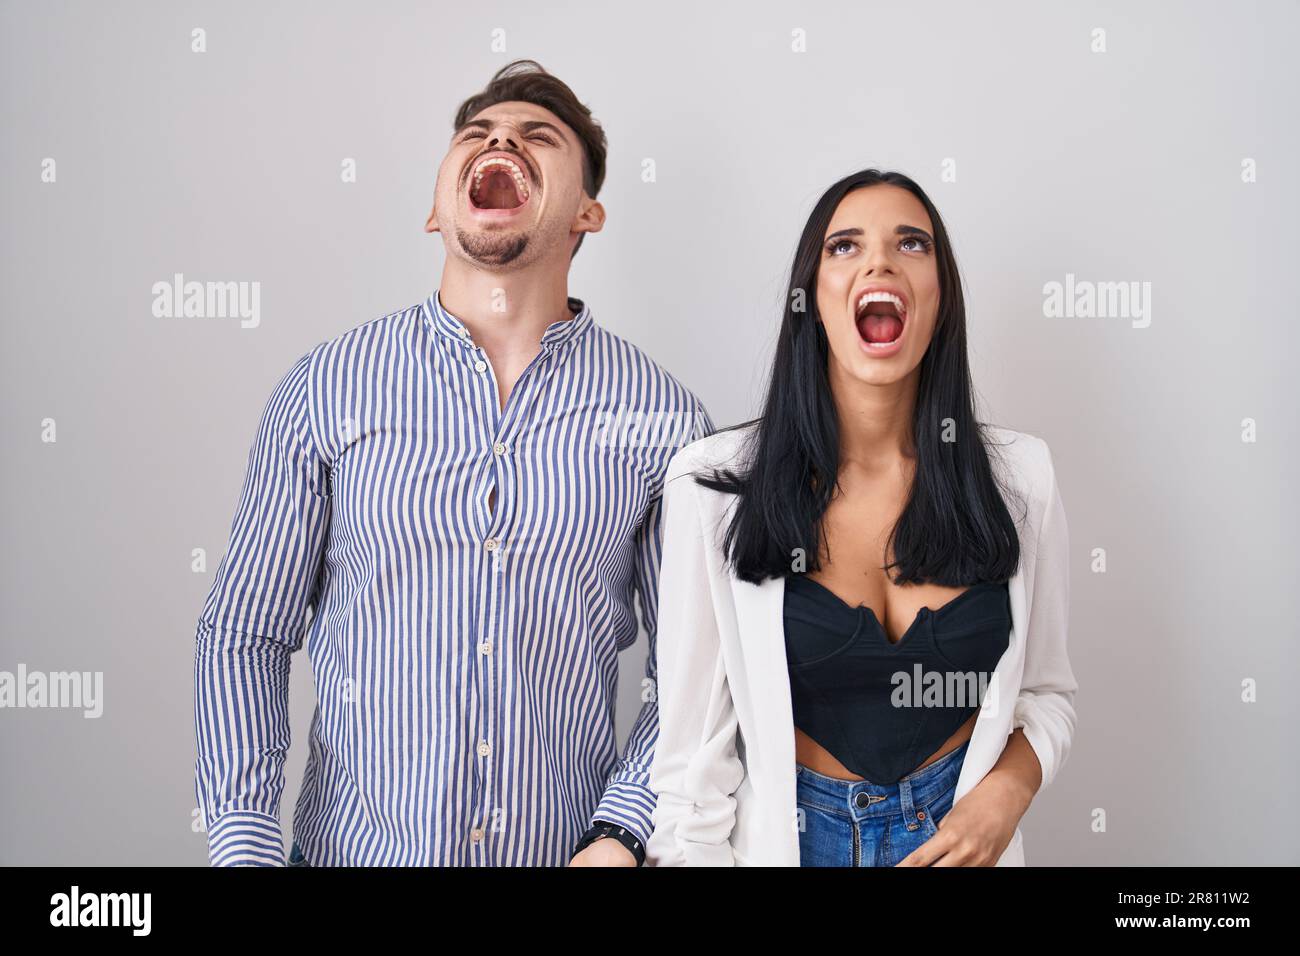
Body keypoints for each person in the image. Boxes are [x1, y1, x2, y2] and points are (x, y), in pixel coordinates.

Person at [193, 60, 712, 867]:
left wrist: (622, 834)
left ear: (588, 212)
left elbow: (693, 671)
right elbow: (244, 632)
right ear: (436, 209)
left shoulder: (666, 420)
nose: (501, 138)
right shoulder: (329, 386)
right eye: (477, 134)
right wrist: (244, 845)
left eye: (538, 137)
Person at [645, 169, 1077, 866]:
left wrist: (1006, 794)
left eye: (912, 244)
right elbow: (691, 773)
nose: (879, 260)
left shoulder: (1023, 479)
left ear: (940, 296)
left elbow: (1048, 693)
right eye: (844, 246)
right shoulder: (714, 487)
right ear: (811, 299)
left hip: (962, 843)